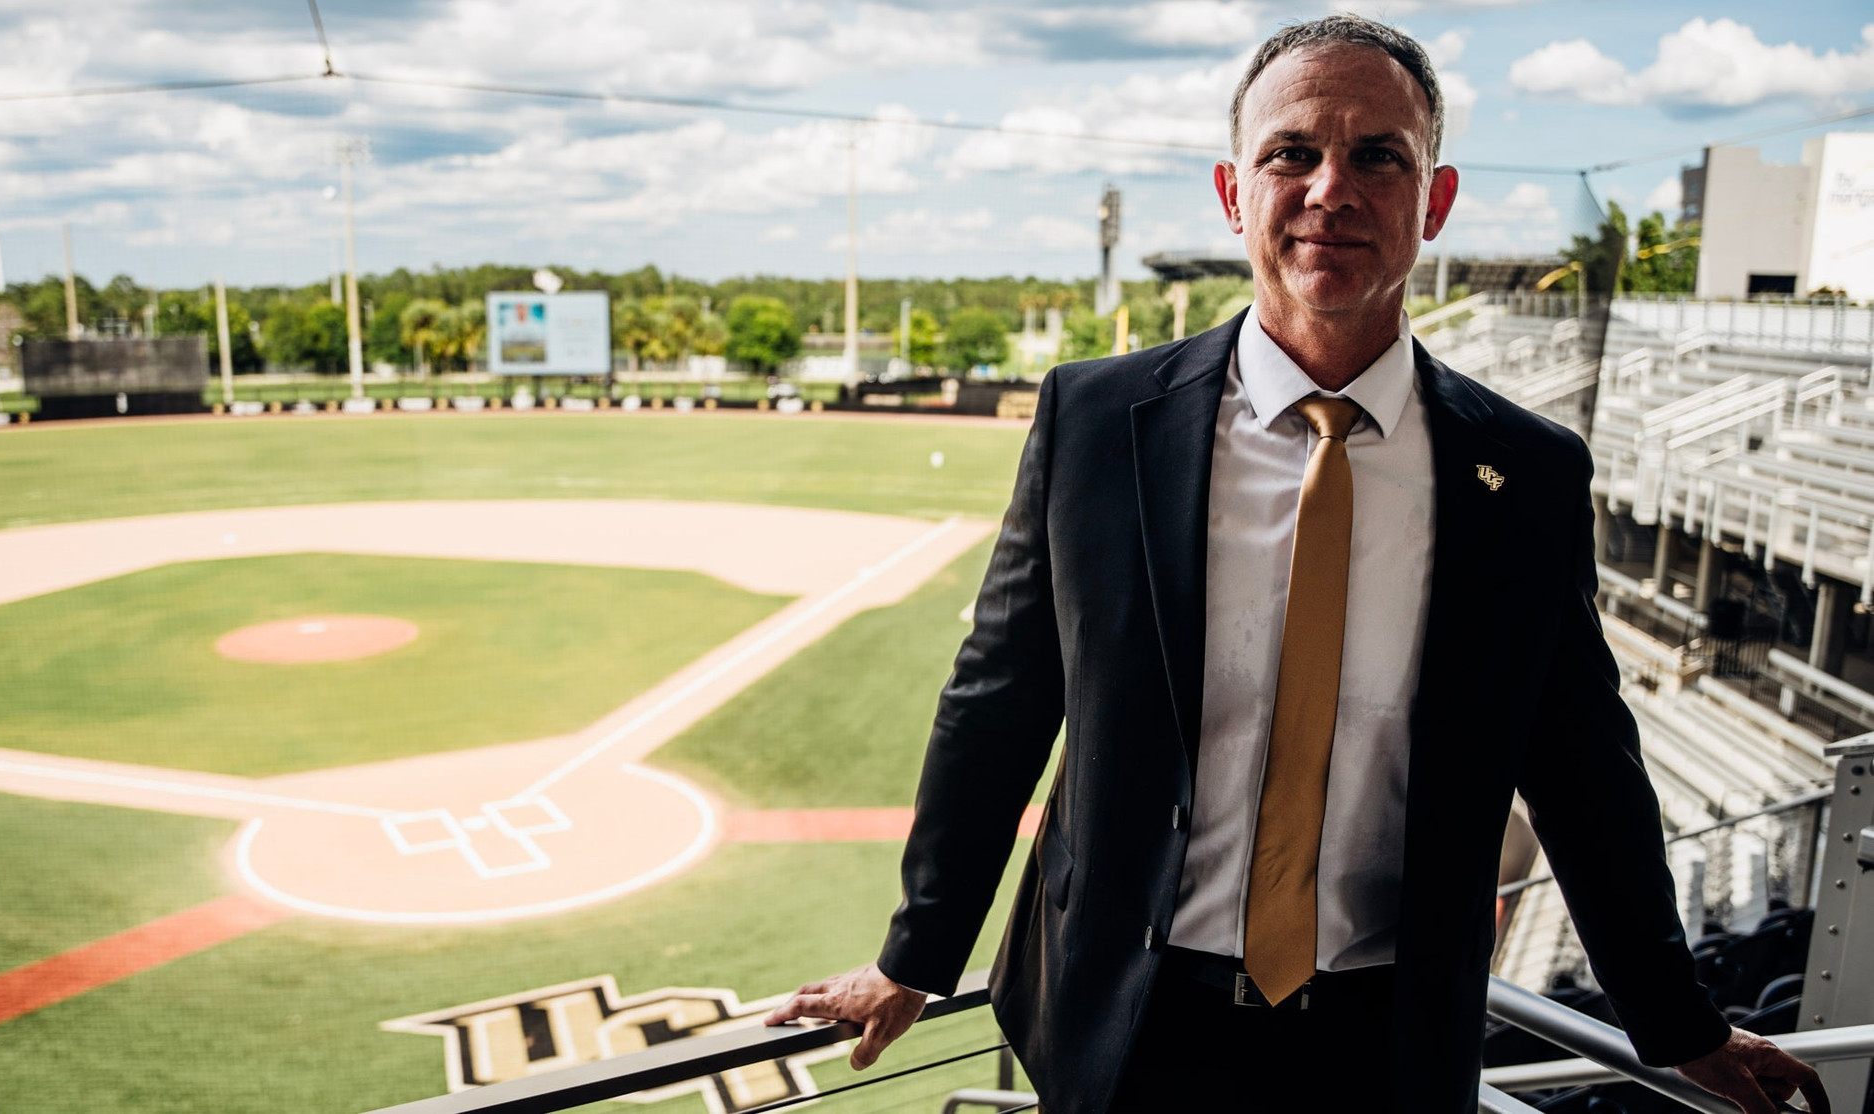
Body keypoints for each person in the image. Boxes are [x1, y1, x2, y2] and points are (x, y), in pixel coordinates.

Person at [766, 14, 1828, 1114]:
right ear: (1235, 192)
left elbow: (1582, 767)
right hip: (1126, 1026)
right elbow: (999, 701)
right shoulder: (1099, 420)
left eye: (1380, 155)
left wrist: (1681, 1023)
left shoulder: (1528, 471)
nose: (1333, 188)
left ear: (1436, 199)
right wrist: (916, 954)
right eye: (1294, 153)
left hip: (1385, 1045)